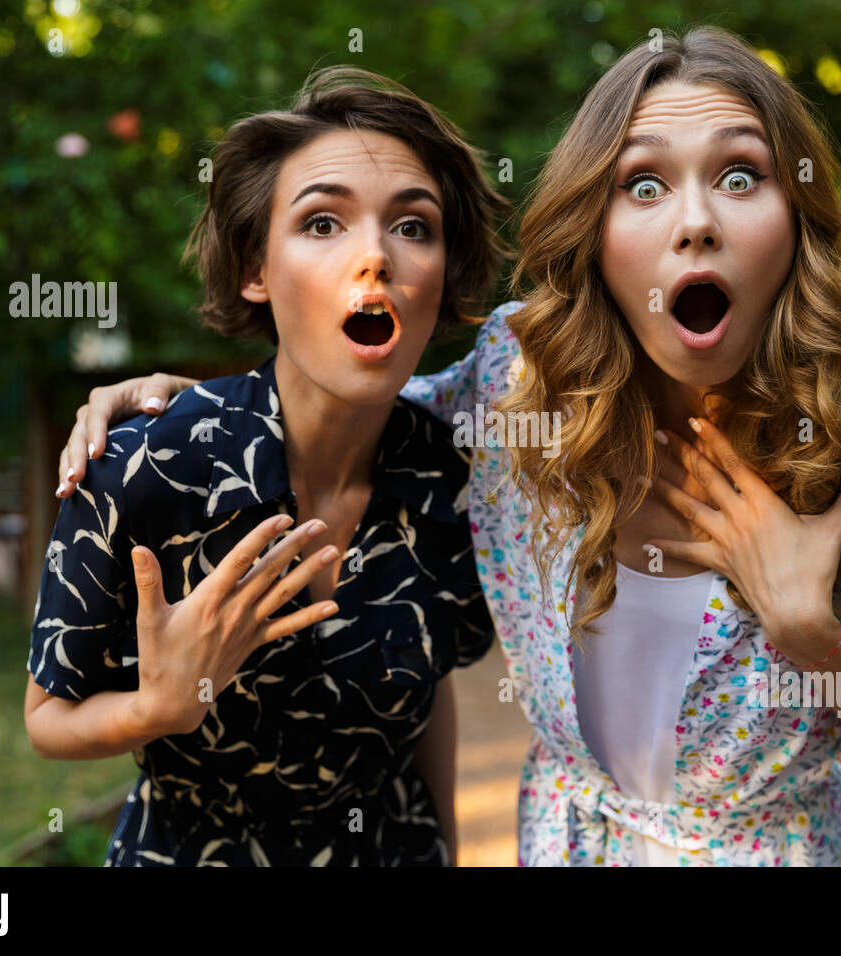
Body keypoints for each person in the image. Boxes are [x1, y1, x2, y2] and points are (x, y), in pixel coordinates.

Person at [56, 26, 841, 866]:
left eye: (742, 176)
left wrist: (813, 637)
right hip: (566, 845)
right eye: (644, 184)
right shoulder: (518, 381)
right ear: (596, 228)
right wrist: (183, 407)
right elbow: (352, 400)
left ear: (797, 217)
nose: (697, 220)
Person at [26, 66, 510, 866]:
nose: (375, 257)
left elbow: (427, 699)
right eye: (323, 223)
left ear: (443, 278)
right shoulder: (145, 467)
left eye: (413, 227)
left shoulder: (456, 479)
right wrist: (158, 707)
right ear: (257, 269)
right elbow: (46, 719)